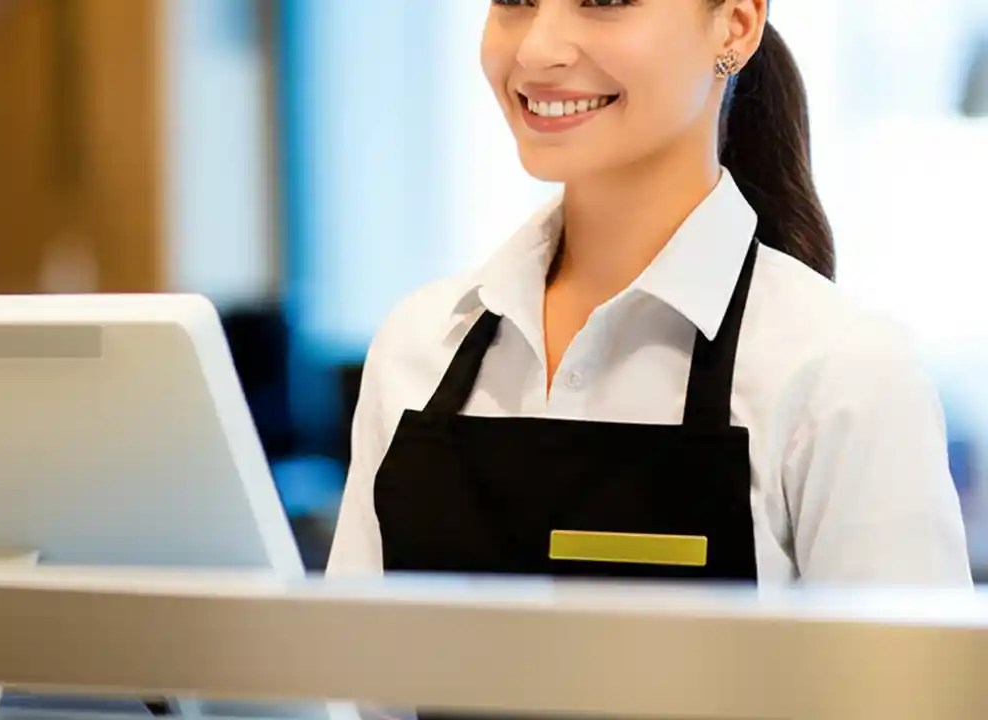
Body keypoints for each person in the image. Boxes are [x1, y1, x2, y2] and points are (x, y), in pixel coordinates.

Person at [327, 0, 971, 586]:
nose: (536, 49)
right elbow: (350, 689)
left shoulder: (846, 372)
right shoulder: (419, 345)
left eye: (604, 1)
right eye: (516, 0)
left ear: (736, 25)